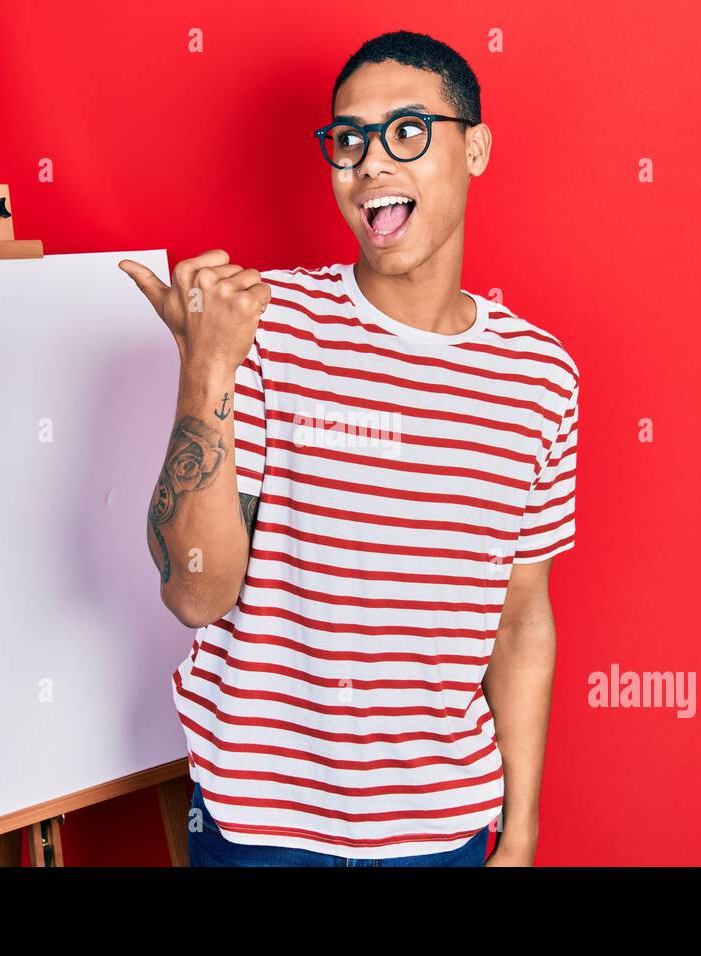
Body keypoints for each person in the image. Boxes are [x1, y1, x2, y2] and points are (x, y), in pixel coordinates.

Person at [120, 29, 578, 867]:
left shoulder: (541, 378)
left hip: (444, 831)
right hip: (262, 829)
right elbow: (196, 595)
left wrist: (522, 829)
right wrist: (207, 368)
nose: (371, 163)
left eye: (408, 131)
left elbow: (521, 621)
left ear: (474, 147)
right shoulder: (267, 326)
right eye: (350, 139)